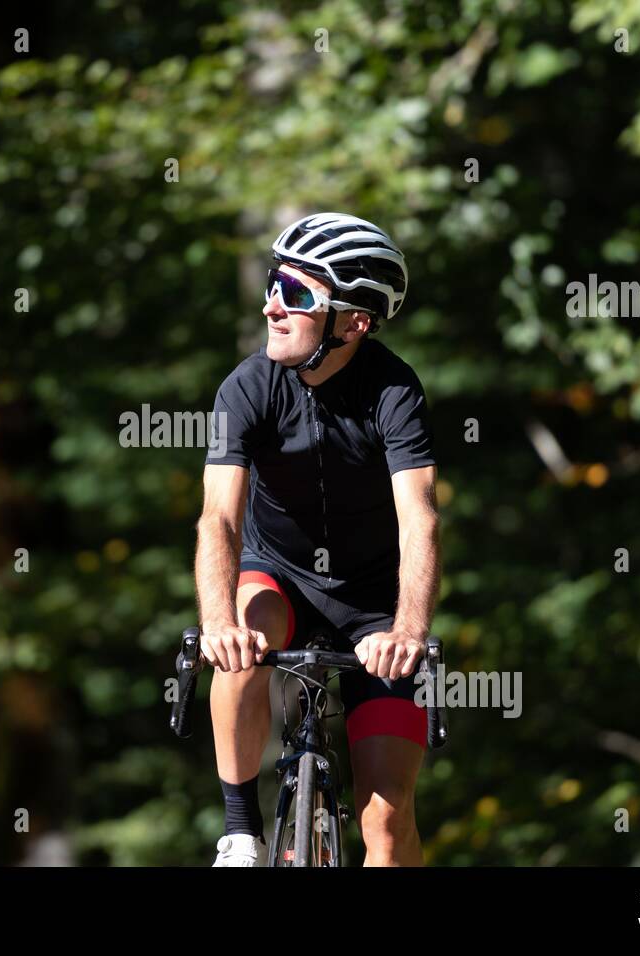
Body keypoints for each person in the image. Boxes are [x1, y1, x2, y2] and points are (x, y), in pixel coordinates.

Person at [196, 212, 440, 867]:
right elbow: (218, 517)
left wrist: (409, 631)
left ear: (353, 321)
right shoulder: (247, 387)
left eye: (297, 295)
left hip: (372, 605)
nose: (273, 306)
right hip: (278, 575)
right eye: (274, 284)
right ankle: (240, 832)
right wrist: (218, 623)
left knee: (388, 829)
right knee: (244, 642)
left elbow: (419, 517)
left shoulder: (394, 391)